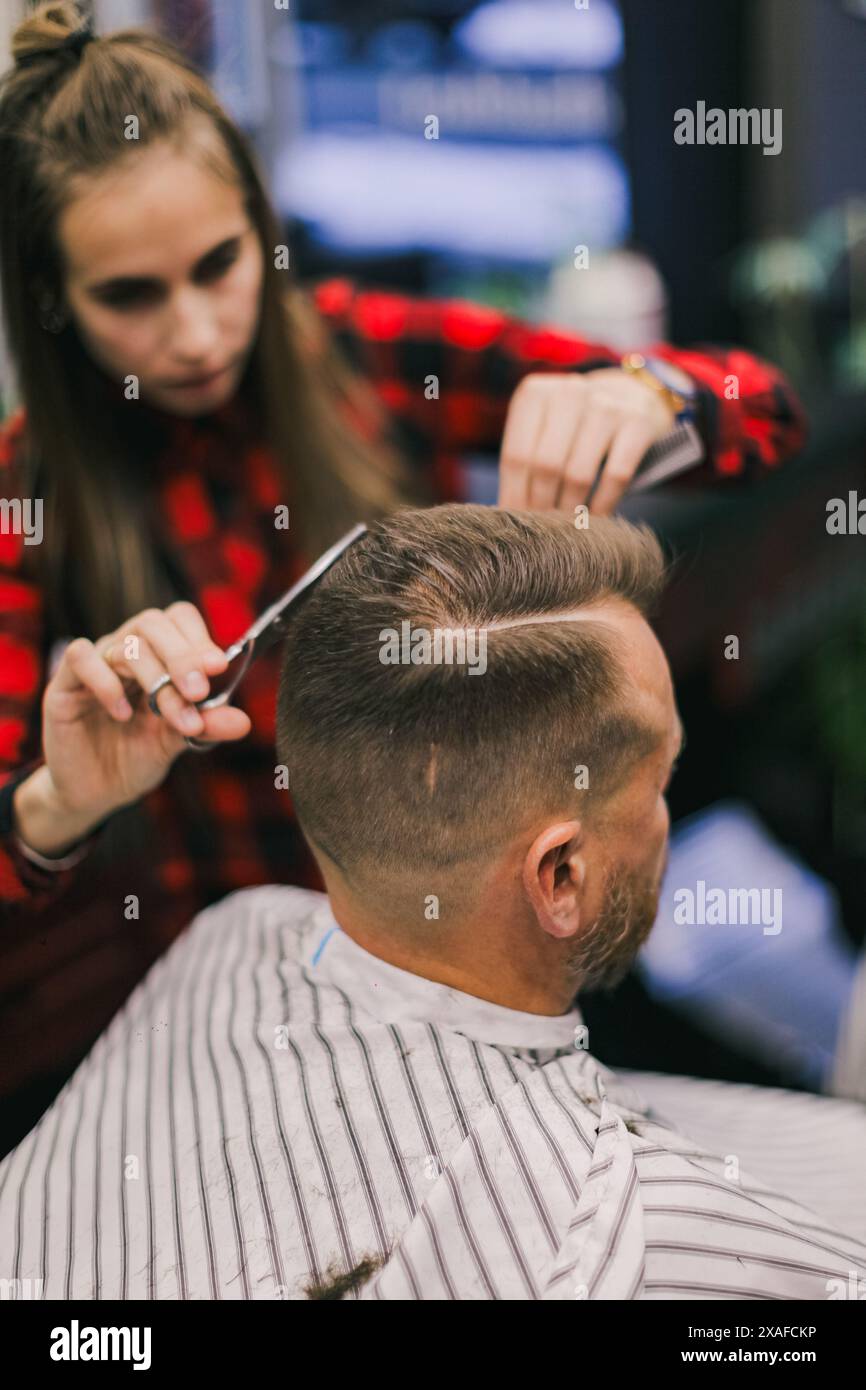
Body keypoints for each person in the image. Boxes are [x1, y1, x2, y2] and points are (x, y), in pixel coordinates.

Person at [0, 3, 807, 1126]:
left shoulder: (370, 352)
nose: (193, 333)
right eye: (130, 295)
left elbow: (764, 409)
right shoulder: (26, 496)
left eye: (219, 265)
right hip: (266, 1020)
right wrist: (59, 802)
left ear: (258, 224)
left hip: (497, 956)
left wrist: (650, 394)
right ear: (52, 302)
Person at [1, 503, 863, 1301]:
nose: (668, 816)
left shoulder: (236, 931)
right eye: (661, 782)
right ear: (559, 876)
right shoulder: (609, 1242)